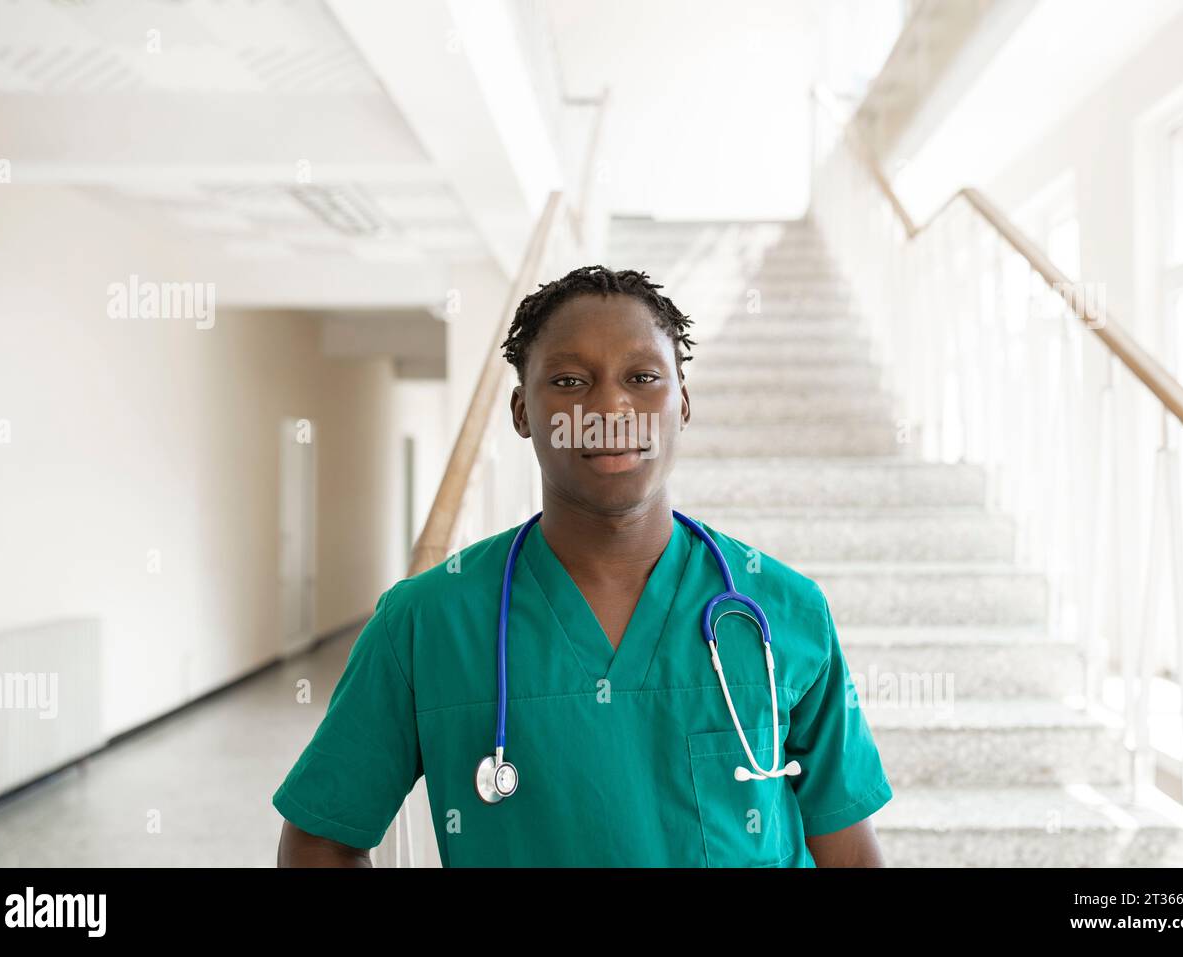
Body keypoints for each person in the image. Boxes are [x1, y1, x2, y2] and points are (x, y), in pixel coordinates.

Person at [273, 264, 892, 867]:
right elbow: (321, 839)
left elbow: (848, 848)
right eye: (570, 381)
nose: (611, 408)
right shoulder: (426, 622)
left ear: (682, 404)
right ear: (522, 412)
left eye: (643, 376)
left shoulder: (785, 611)